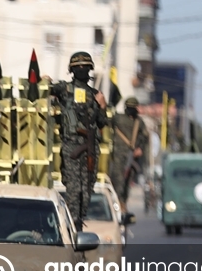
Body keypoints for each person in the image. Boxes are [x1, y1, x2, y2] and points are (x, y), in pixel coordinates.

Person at [49, 51, 108, 226]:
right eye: (78, 67)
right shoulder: (64, 89)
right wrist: (44, 81)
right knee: (74, 188)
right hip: (71, 146)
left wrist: (102, 105)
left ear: (90, 70)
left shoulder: (96, 94)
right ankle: (71, 223)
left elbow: (102, 122)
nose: (82, 70)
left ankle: (79, 220)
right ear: (72, 70)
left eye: (85, 67)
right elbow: (44, 89)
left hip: (90, 147)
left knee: (87, 188)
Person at [108, 96, 149, 213]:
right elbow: (106, 123)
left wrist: (140, 149)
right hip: (118, 155)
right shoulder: (118, 118)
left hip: (131, 156)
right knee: (118, 180)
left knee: (126, 181)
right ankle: (118, 204)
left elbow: (144, 137)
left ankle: (122, 203)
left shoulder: (139, 122)